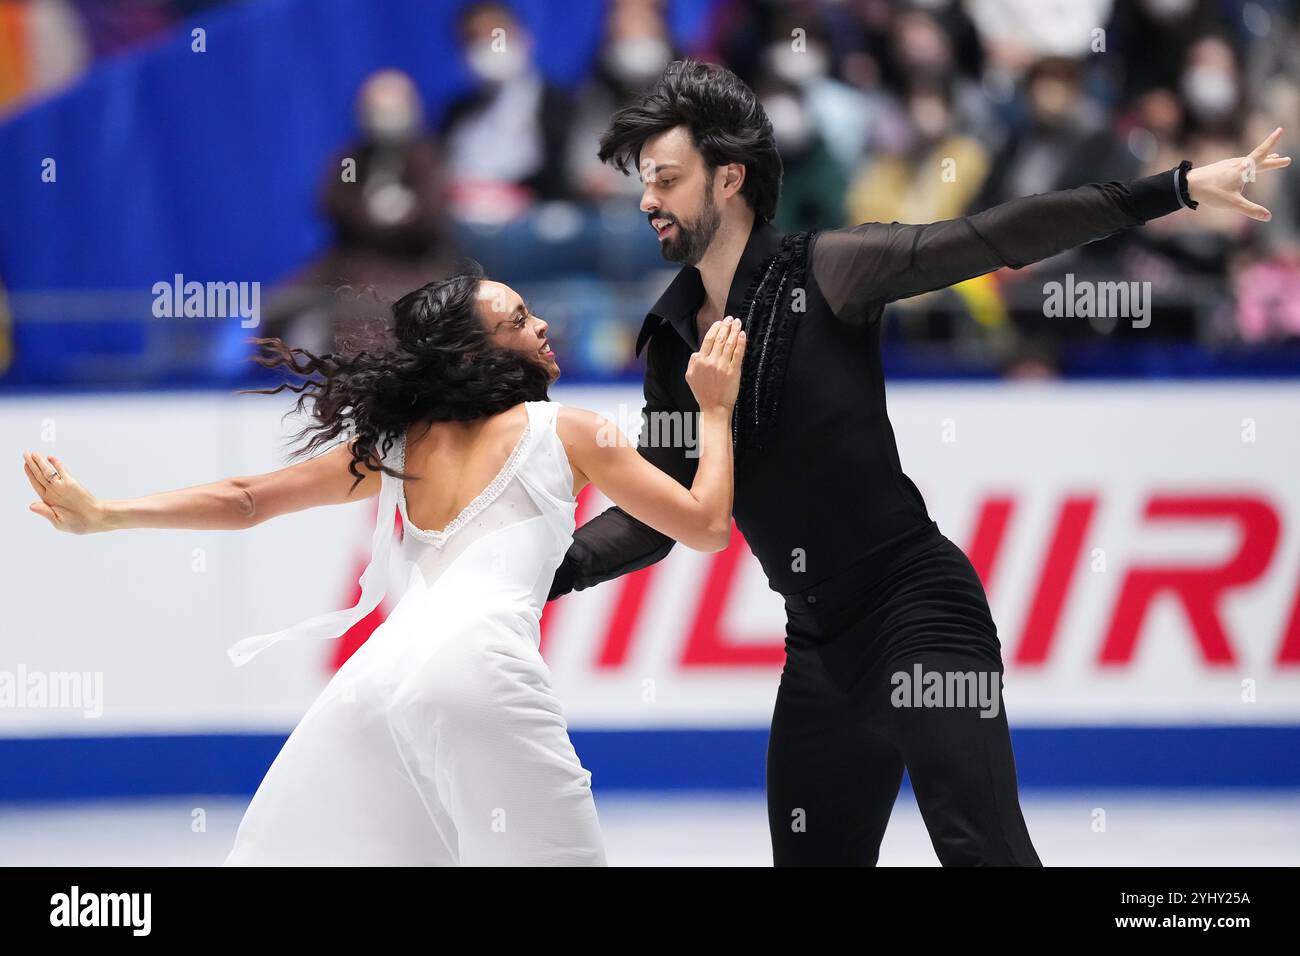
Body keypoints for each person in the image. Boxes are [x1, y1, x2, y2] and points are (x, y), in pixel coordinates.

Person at [547, 58, 1290, 866]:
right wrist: (537, 568)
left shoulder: (828, 270)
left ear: (729, 179)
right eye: (643, 181)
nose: (647, 199)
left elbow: (998, 235)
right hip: (820, 650)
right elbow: (661, 517)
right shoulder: (673, 340)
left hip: (922, 612)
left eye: (665, 178)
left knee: (984, 852)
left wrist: (1173, 187)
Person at [20, 265, 747, 866]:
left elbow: (246, 499)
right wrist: (713, 410)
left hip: (382, 679)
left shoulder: (401, 444)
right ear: (476, 356)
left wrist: (108, 512)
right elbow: (708, 525)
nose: (543, 326)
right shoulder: (571, 429)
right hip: (480, 668)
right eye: (520, 320)